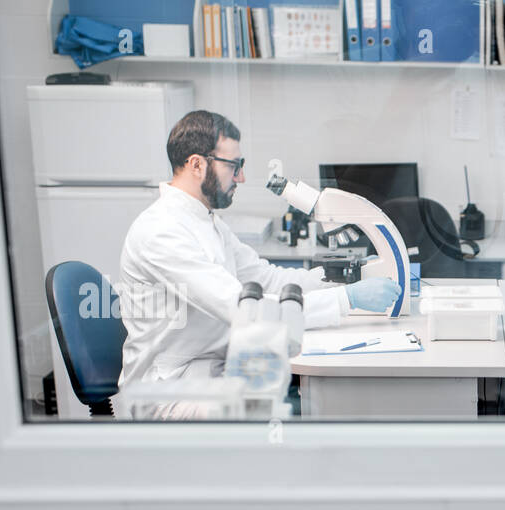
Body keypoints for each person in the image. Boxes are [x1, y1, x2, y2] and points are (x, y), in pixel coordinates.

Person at [117, 110, 398, 405]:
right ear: (197, 164)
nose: (241, 177)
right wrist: (346, 300)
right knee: (306, 408)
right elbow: (245, 311)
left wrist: (334, 279)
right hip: (169, 393)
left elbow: (268, 279)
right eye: (234, 166)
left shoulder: (206, 221)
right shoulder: (161, 231)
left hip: (210, 370)